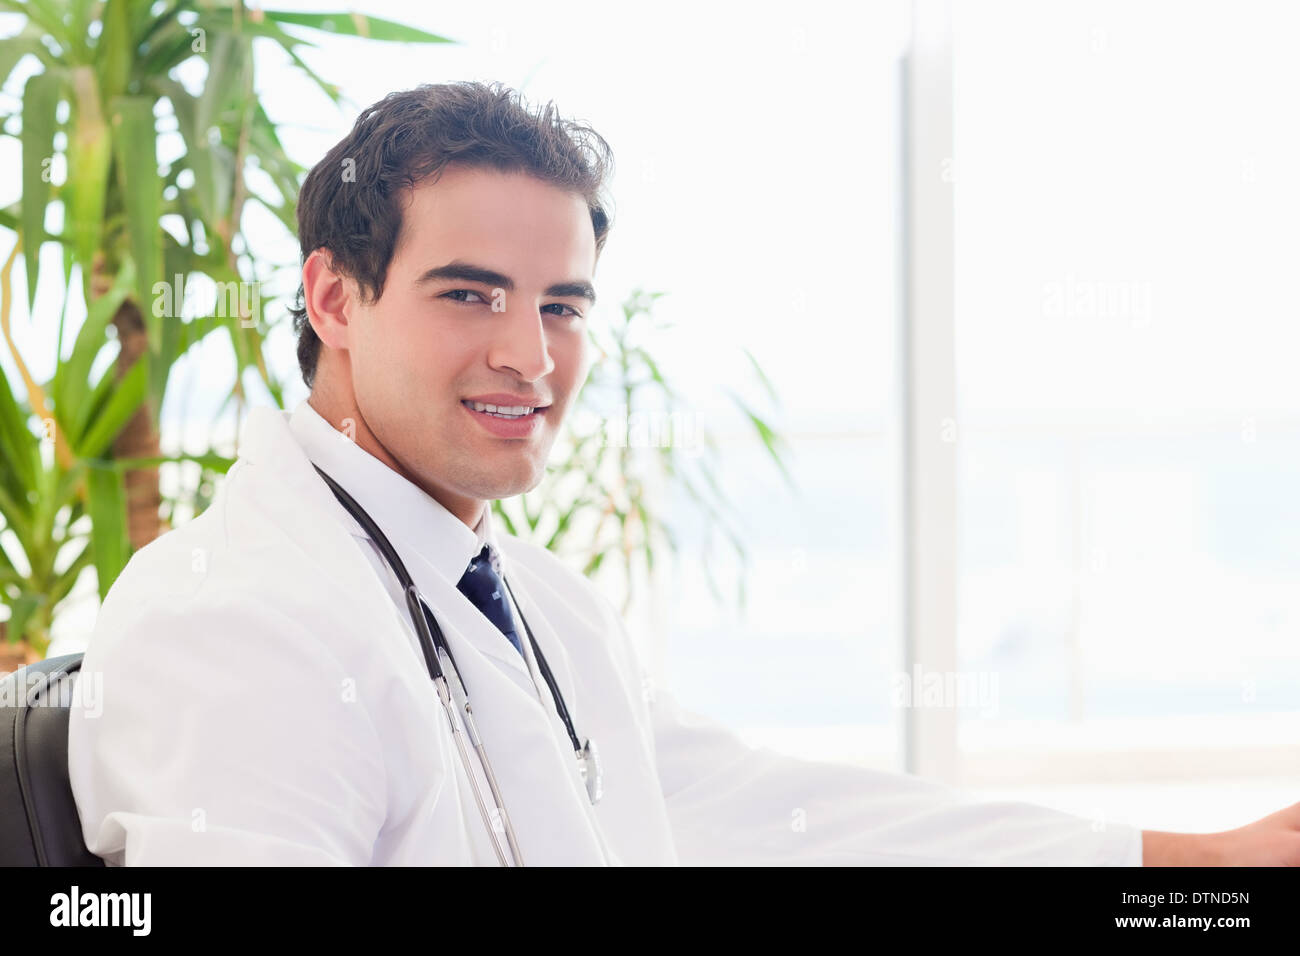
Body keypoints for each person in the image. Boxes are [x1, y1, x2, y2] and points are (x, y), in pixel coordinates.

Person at [67, 80, 1300, 866]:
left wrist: (1171, 854)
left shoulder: (529, 596)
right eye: (469, 294)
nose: (528, 353)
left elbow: (764, 811)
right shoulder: (231, 620)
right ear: (335, 295)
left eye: (561, 303)